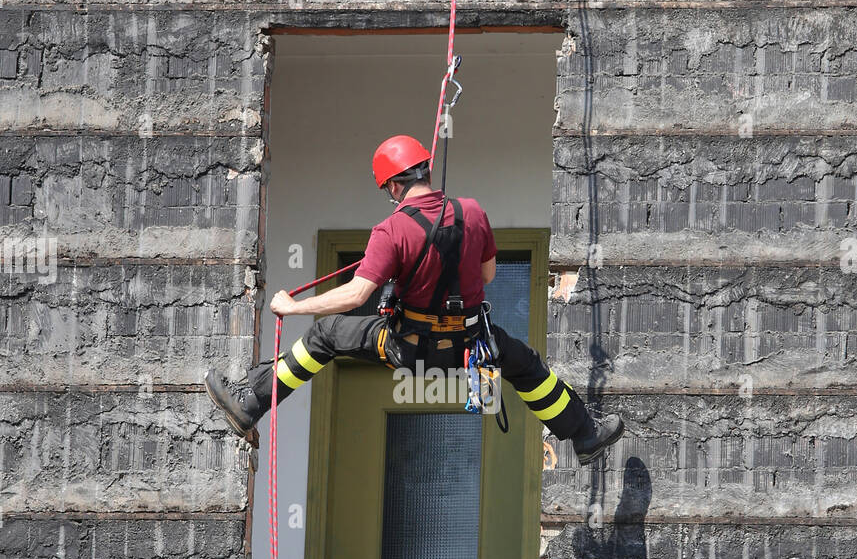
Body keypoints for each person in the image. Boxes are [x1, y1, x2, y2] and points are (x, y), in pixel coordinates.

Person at [205, 134, 624, 463]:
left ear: (393, 185)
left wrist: (294, 307)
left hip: (408, 349)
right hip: (471, 348)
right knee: (527, 365)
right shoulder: (473, 212)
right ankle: (584, 434)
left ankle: (251, 402)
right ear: (426, 170)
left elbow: (356, 294)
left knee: (325, 336)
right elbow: (488, 275)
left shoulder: (391, 230)